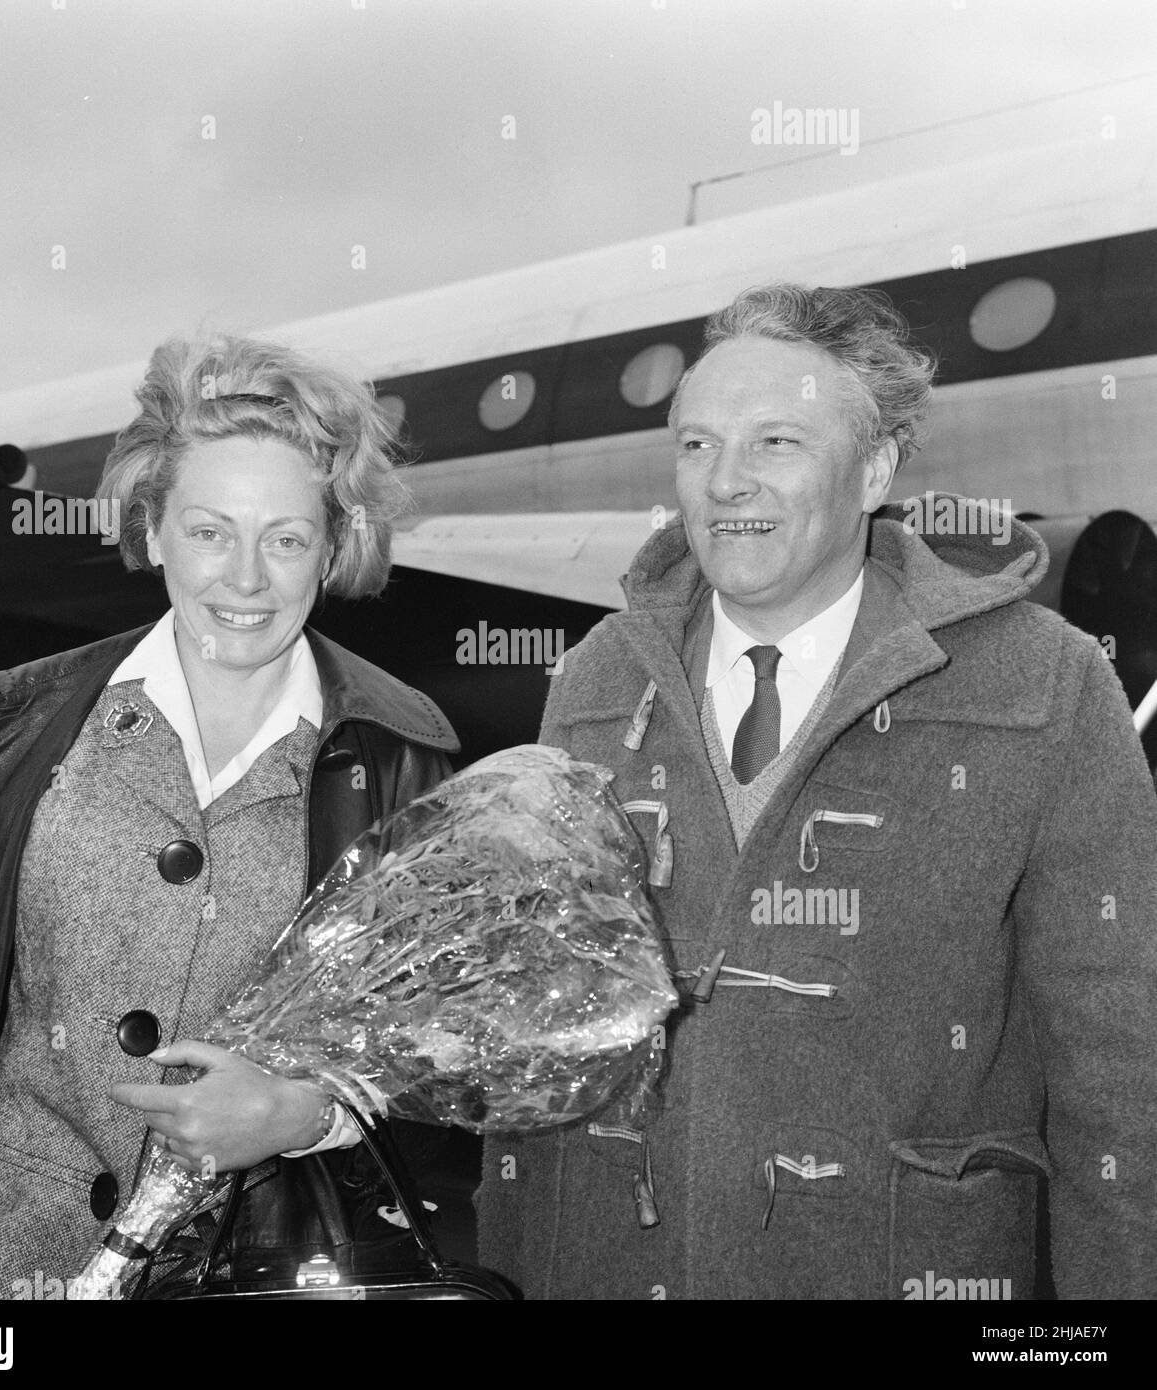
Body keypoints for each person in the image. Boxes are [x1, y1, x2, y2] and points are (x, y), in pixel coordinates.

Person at [476, 283, 1157, 1300]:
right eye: (696, 446)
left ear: (873, 467)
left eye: (774, 444)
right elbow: (538, 1033)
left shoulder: (1040, 686)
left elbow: (1115, 1069)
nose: (724, 483)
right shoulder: (596, 676)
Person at [0, 334, 458, 1299]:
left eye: (287, 538)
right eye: (211, 530)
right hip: (2, 1266)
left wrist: (302, 1114)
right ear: (152, 527)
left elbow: (437, 1048)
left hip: (257, 1266)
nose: (246, 580)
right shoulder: (19, 722)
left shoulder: (399, 749)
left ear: (335, 545)